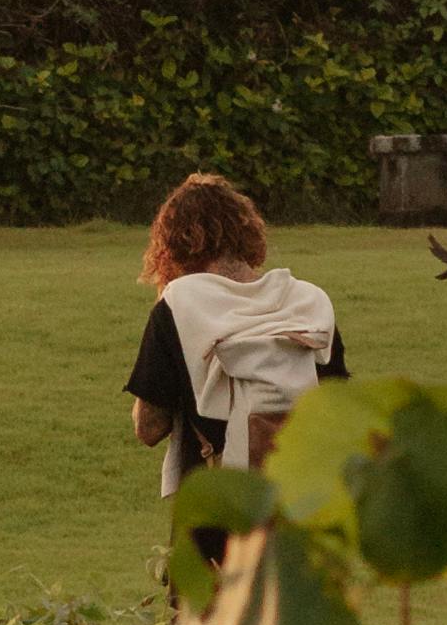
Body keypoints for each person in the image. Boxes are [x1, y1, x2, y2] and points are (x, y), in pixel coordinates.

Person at [126, 173, 345, 512]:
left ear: (173, 243)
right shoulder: (308, 302)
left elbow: (149, 428)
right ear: (247, 231)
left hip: (218, 506)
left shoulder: (179, 303)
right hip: (303, 505)